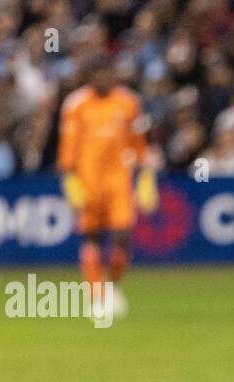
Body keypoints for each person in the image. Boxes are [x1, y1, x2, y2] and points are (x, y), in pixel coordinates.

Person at [58, 58, 157, 319]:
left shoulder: (129, 103)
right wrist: (69, 179)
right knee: (90, 238)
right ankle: (96, 296)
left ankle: (112, 285)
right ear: (90, 77)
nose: (104, 79)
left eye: (108, 73)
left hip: (118, 182)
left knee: (122, 237)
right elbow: (68, 145)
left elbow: (139, 143)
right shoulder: (75, 105)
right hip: (88, 183)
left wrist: (146, 176)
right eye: (98, 74)